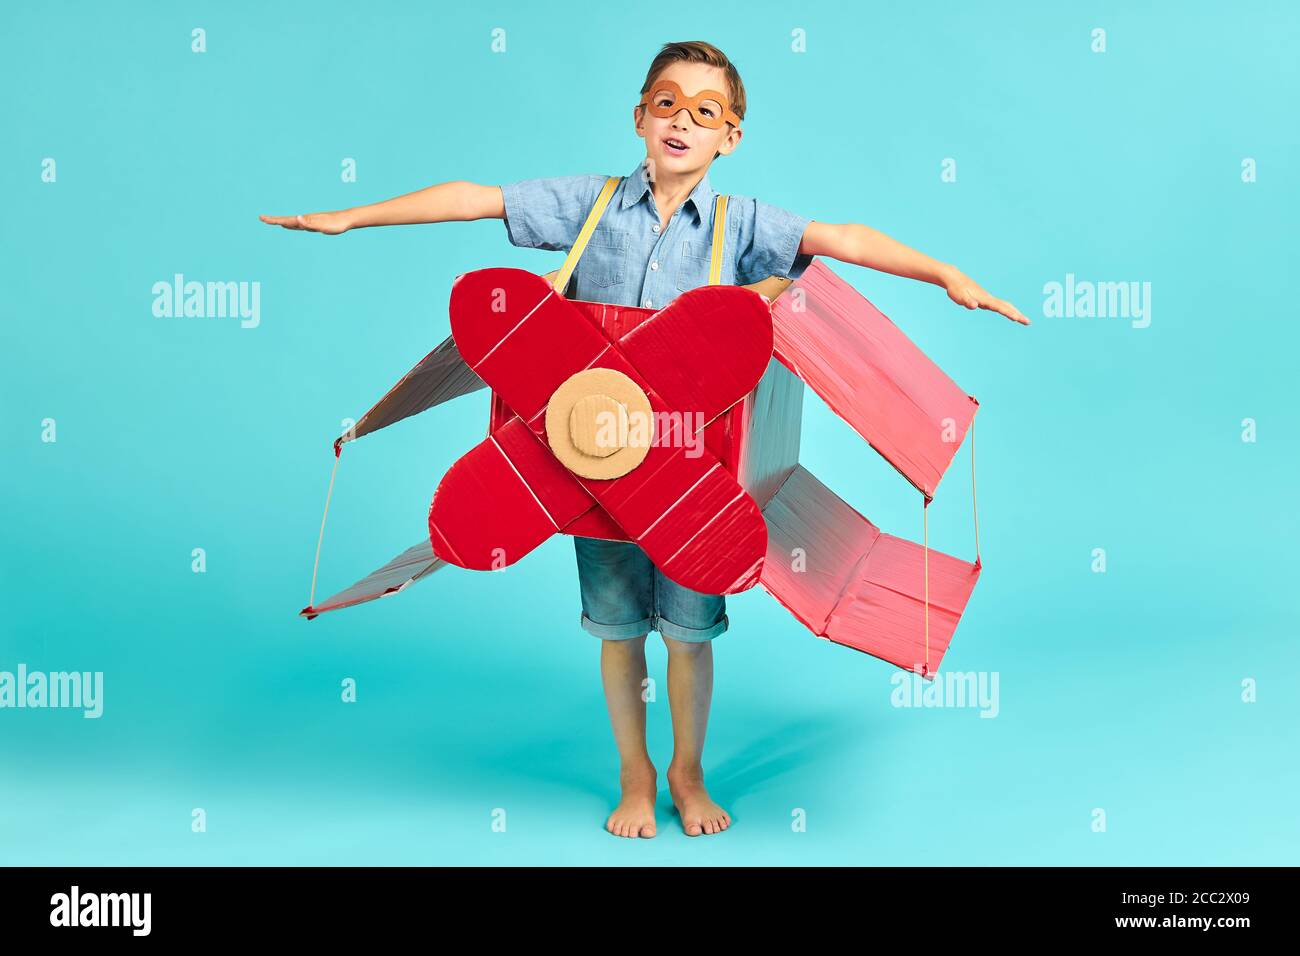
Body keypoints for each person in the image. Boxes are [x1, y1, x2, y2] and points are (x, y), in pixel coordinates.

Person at [262, 40, 1028, 840]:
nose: (682, 121)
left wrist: (945, 274)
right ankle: (634, 776)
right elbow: (473, 198)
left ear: (730, 137)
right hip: (585, 467)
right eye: (667, 103)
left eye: (705, 112)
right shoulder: (586, 206)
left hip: (690, 478)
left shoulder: (745, 226)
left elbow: (848, 240)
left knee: (691, 637)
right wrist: (353, 215)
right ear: (639, 117)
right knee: (620, 629)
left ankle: (686, 773)